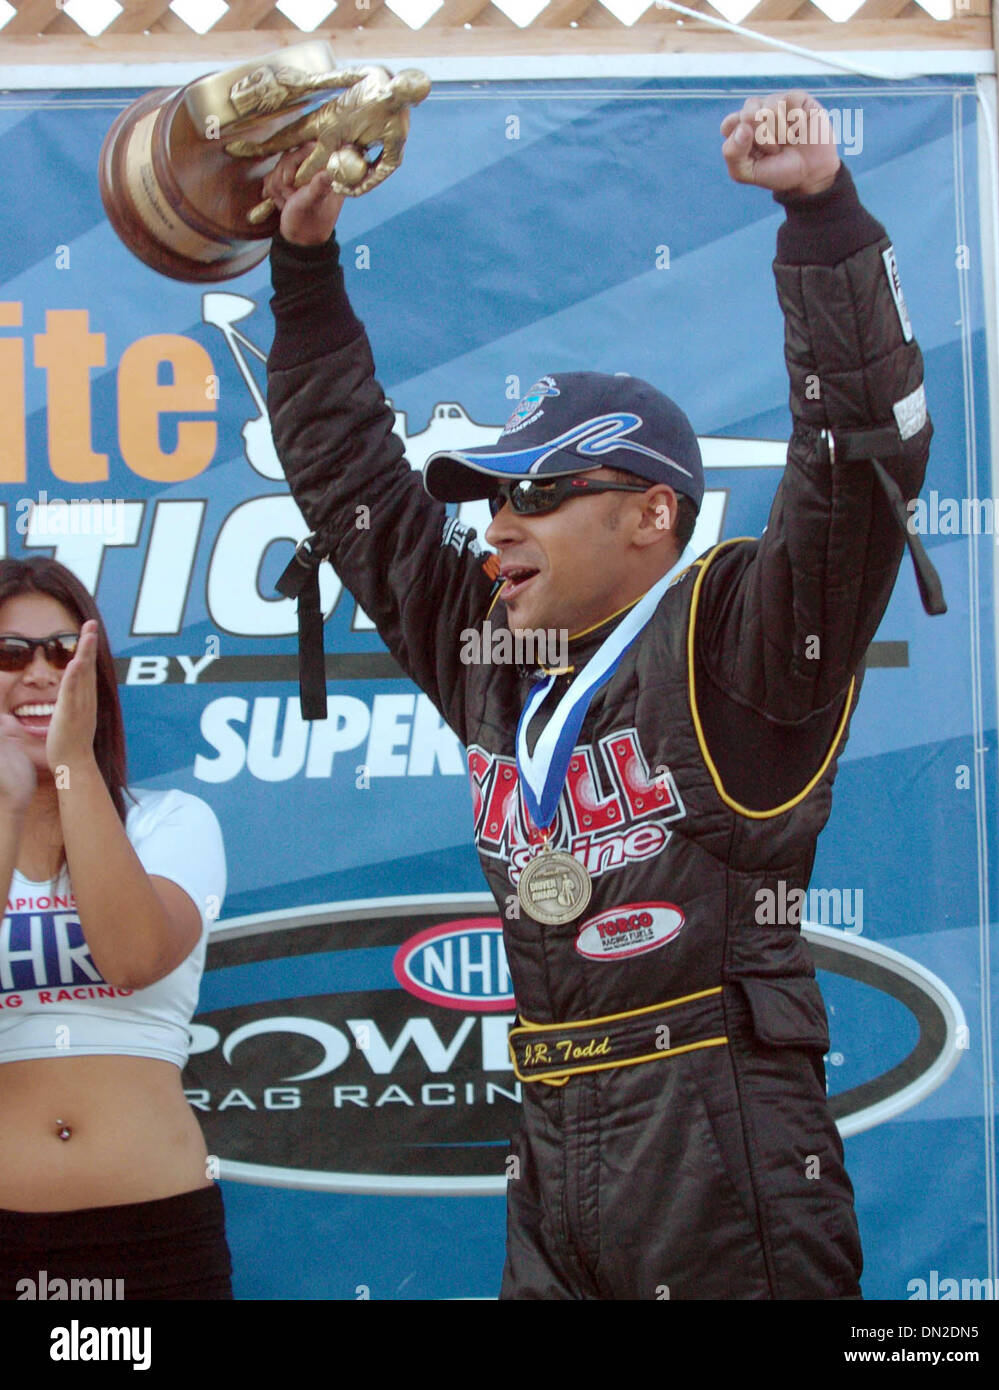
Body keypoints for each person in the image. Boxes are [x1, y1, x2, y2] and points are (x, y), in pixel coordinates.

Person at [262, 90, 934, 1299]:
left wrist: (819, 214)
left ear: (649, 514)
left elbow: (860, 452)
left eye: (535, 496)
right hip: (553, 1130)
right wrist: (304, 264)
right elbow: (348, 474)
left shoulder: (740, 634)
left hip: (720, 1130)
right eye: (487, 503)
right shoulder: (487, 651)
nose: (496, 528)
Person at [0, 557, 231, 1300]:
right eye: (8, 654)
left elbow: (131, 956)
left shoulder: (171, 822)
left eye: (64, 652)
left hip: (154, 1232)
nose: (38, 674)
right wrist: (7, 804)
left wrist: (70, 766)